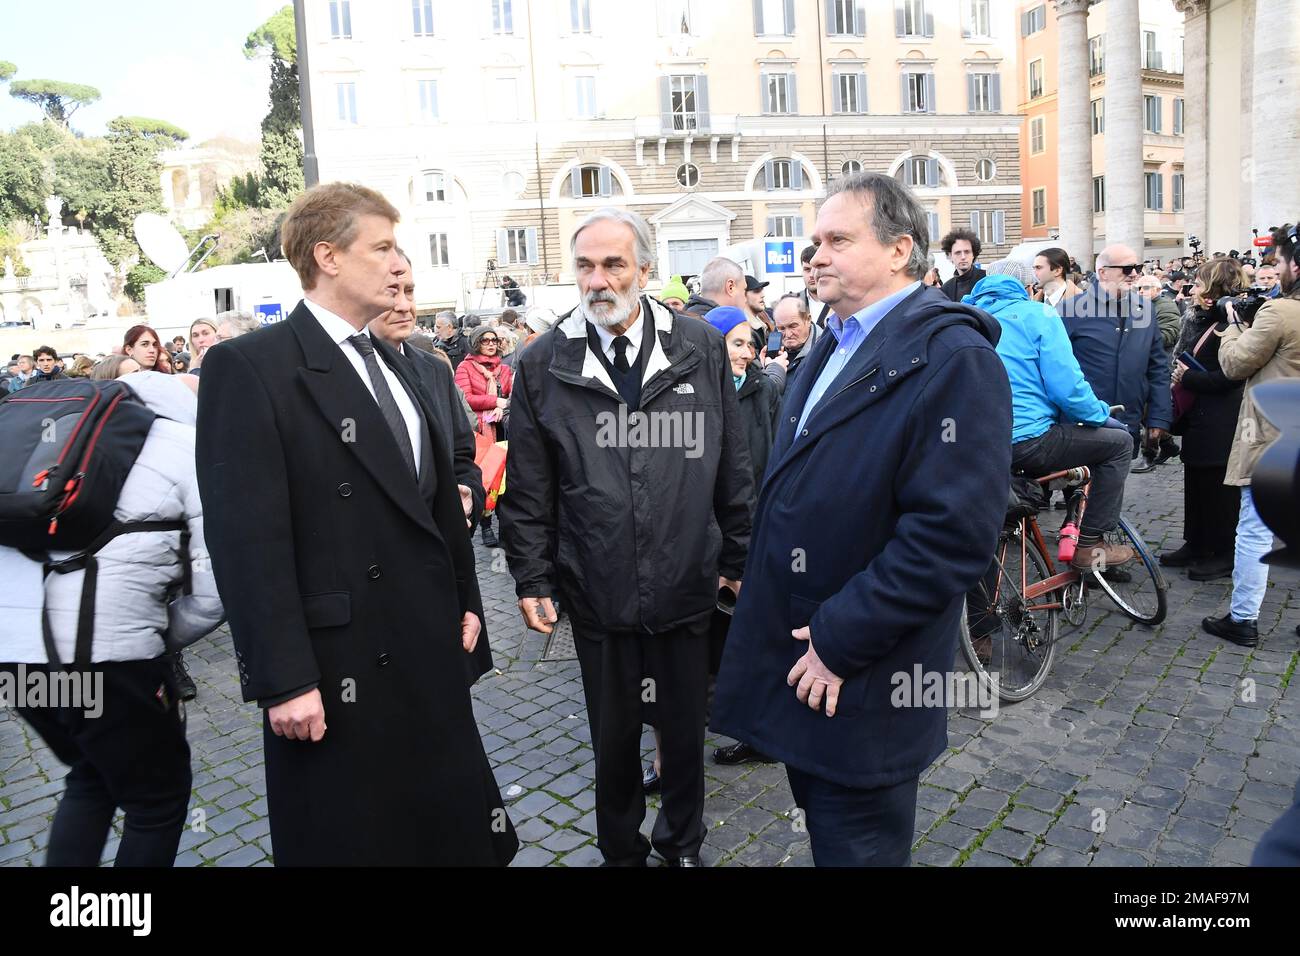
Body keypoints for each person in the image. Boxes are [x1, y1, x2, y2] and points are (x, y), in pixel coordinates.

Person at [194, 181, 517, 866]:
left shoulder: (404, 365)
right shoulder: (251, 366)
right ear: (328, 257)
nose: (401, 264)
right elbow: (245, 539)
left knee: (450, 840)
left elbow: (429, 503)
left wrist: (464, 602)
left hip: (427, 647)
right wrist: (283, 679)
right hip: (337, 667)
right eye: (384, 247)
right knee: (358, 842)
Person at [711, 172, 1012, 867]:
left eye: (837, 239)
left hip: (862, 673)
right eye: (815, 240)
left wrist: (841, 639)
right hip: (804, 664)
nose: (815, 254)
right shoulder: (832, 344)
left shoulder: (955, 359)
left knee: (859, 848)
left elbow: (950, 537)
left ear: (900, 249)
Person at [499, 207, 752, 867]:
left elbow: (732, 461)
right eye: (585, 265)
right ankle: (620, 849)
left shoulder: (696, 347)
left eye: (614, 264)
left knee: (682, 727)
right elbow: (529, 487)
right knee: (612, 737)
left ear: (645, 269)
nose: (599, 279)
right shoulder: (541, 364)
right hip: (597, 584)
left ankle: (682, 843)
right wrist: (532, 576)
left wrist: (738, 556)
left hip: (686, 576)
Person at [0, 370, 224, 866]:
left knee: (90, 775)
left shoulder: (42, 434)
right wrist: (156, 641)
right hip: (108, 664)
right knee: (156, 801)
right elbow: (213, 593)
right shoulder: (185, 446)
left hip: (15, 664)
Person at [368, 255, 492, 685]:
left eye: (410, 293)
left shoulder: (433, 370)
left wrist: (465, 492)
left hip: (441, 568)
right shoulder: (346, 375)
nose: (404, 306)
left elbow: (463, 455)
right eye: (390, 295)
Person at [964, 261, 1133, 572]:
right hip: (1026, 440)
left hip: (976, 445)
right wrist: (1099, 415)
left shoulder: (965, 317)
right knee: (1119, 444)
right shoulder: (1037, 314)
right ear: (1030, 288)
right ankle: (1090, 544)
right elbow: (1066, 387)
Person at [1202, 223, 1300, 648]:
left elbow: (1236, 364)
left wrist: (1233, 325)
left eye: (1277, 263)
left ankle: (1243, 618)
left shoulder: (1279, 313)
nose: (1274, 272)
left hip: (1274, 434)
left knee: (1256, 528)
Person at [1161, 259, 1246, 582]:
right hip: (1200, 415)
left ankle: (1224, 552)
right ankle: (1196, 542)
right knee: (1196, 480)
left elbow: (1231, 376)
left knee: (1218, 488)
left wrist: (1189, 378)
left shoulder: (1235, 324)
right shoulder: (1199, 319)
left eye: (1199, 284)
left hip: (1222, 417)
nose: (1193, 290)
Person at [1058, 244, 1172, 474]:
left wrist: (1158, 418)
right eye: (1127, 268)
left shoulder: (1145, 309)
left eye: (1137, 267)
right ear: (1103, 272)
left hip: (1128, 416)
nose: (1134, 274)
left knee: (1114, 487)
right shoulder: (1069, 310)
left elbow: (1158, 367)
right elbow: (1054, 367)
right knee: (1081, 491)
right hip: (1083, 421)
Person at [454, 324, 513, 548]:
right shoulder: (465, 367)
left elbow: (510, 395)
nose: (490, 344)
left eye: (494, 340)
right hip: (479, 431)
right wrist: (494, 402)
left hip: (503, 429)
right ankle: (486, 526)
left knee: (504, 480)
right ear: (476, 343)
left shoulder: (504, 368)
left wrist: (503, 408)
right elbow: (464, 397)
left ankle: (505, 525)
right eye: (485, 340)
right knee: (486, 479)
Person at [772, 291, 823, 378]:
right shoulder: (772, 345)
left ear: (808, 320)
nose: (788, 334)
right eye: (781, 328)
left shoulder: (824, 349)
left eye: (793, 326)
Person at [939, 228, 985, 302]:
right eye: (958, 253)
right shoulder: (946, 288)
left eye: (967, 252)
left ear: (973, 254)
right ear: (950, 256)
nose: (963, 257)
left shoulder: (986, 278)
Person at [799, 244, 831, 326]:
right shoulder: (792, 303)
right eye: (807, 269)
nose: (811, 275)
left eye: (816, 268)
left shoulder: (841, 303)